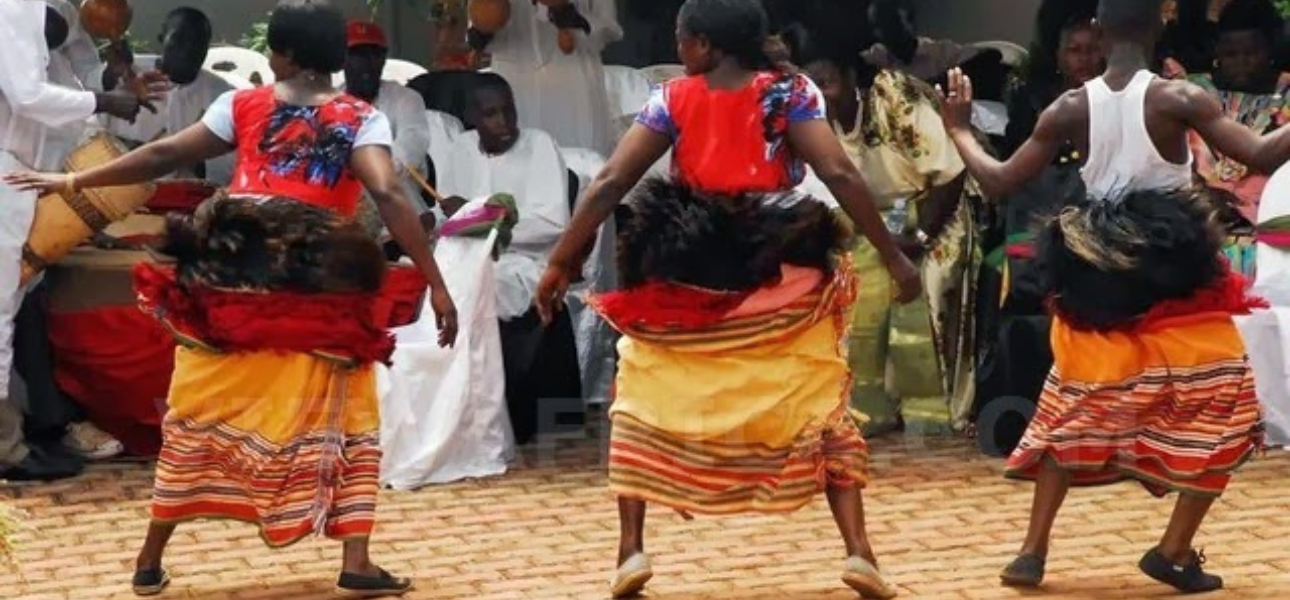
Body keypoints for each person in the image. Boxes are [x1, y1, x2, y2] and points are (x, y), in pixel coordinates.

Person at [4, 0, 458, 596]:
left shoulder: (241, 105)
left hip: (230, 287)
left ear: (283, 55)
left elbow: (167, 153)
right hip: (316, 295)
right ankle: (356, 560)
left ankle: (149, 558)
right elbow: (389, 193)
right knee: (350, 416)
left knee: (198, 413)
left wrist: (73, 180)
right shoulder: (360, 118)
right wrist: (438, 282)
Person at [532, 1, 921, 598]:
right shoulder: (791, 94)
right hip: (779, 274)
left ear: (704, 48)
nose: (676, 45)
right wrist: (892, 255)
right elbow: (840, 174)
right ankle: (860, 552)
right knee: (816, 400)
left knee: (642, 394)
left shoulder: (674, 98)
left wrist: (562, 259)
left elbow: (611, 180)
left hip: (685, 276)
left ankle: (630, 550)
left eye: (681, 38)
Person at [939, 0, 1283, 591]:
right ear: (1161, 28)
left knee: (1070, 408)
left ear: (1097, 32)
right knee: (1229, 407)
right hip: (1175, 281)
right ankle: (1174, 549)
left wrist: (960, 128)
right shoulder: (1179, 98)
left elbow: (996, 181)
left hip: (1095, 277)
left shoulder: (1068, 107)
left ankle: (1032, 551)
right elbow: (1262, 155)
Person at [786, 25, 979, 436]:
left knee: (932, 277)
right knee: (855, 286)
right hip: (875, 222)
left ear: (851, 78)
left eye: (828, 83)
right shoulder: (809, 119)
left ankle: (930, 410)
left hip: (937, 210)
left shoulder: (894, 95)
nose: (821, 94)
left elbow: (951, 172)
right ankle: (871, 408)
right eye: (812, 86)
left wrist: (920, 238)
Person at [0, 0, 157, 482]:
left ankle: (14, 439)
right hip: (8, 164)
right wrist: (104, 102)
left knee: (12, 305)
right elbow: (26, 95)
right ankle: (7, 449)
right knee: (3, 309)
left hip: (20, 162)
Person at [436, 73, 580, 446]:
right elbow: (448, 221)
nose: (503, 122)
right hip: (468, 259)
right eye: (490, 114)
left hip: (526, 264)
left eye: (508, 111)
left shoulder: (540, 145)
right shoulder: (459, 150)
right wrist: (438, 220)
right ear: (471, 116)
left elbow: (552, 223)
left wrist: (475, 218)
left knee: (487, 284)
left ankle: (493, 414)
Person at [470, 0, 622, 154]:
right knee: (519, 162)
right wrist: (483, 35)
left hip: (573, 87)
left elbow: (608, 27)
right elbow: (479, 18)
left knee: (577, 163)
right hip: (516, 90)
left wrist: (579, 22)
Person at [1188, 0, 1290, 225]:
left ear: (1271, 49)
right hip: (1201, 224)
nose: (1241, 62)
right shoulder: (1193, 93)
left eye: (1251, 53)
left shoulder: (1287, 94)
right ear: (1217, 52)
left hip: (1273, 223)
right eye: (1231, 54)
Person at [344, 20, 433, 235]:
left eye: (374, 55)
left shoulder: (406, 99)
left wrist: (362, 168)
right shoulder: (331, 103)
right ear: (342, 59)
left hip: (399, 200)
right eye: (357, 55)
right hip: (347, 206)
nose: (366, 63)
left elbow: (411, 148)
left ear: (383, 59)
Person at [152, 7, 239, 186]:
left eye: (199, 43)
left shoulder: (224, 96)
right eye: (179, 40)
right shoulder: (131, 78)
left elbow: (227, 169)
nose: (188, 50)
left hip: (192, 201)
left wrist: (194, 154)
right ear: (162, 38)